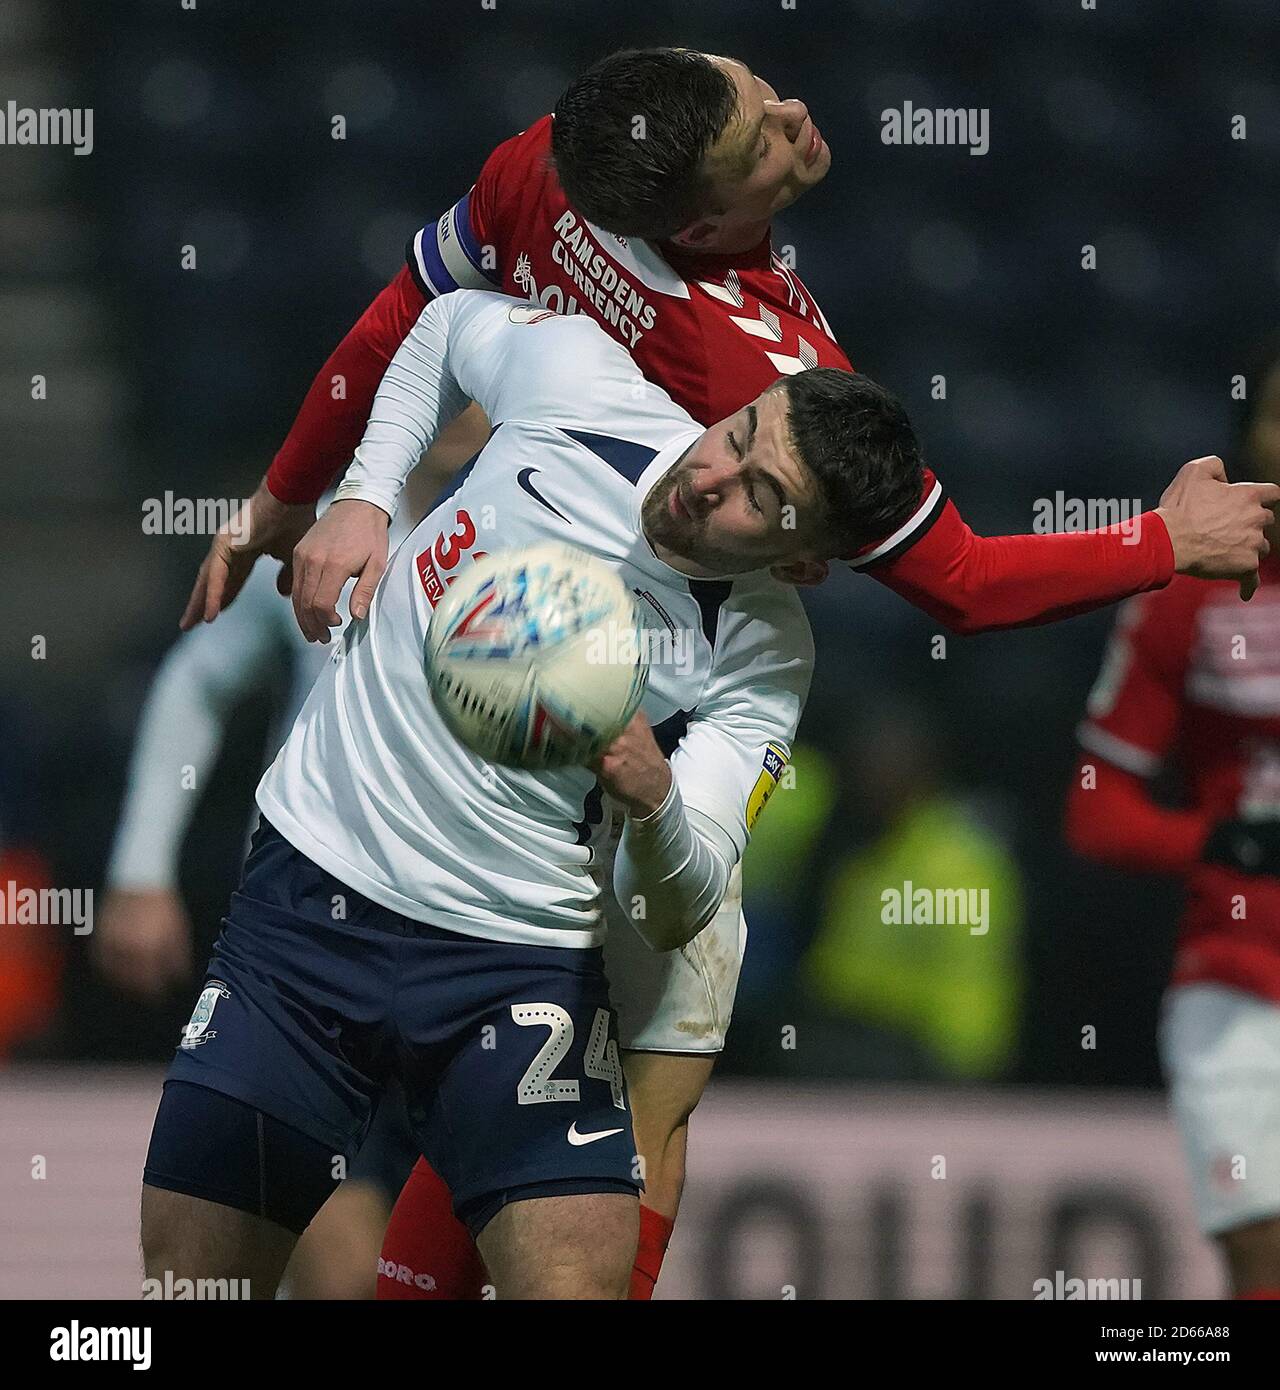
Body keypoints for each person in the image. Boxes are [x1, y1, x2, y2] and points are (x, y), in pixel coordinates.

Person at [178, 48, 1276, 1299]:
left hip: (617, 757)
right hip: (611, 744)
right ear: (700, 220)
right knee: (635, 1108)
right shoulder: (756, 384)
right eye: (763, 133)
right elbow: (962, 582)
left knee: (531, 1112)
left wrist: (287, 494)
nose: (794, 114)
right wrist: (1159, 543)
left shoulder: (545, 161)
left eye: (749, 84)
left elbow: (396, 317)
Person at [140, 286, 932, 1297]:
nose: (710, 475)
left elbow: (679, 904)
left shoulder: (759, 649)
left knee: (578, 1278)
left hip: (514, 964)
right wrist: (364, 491)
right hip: (316, 893)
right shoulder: (583, 388)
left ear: (807, 561)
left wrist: (653, 803)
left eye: (759, 496)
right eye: (736, 435)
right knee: (188, 1279)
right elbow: (440, 322)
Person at [1066, 337, 1280, 1301]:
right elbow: (1094, 809)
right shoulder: (1186, 595)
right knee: (1263, 1265)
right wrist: (1216, 842)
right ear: (1248, 437)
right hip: (1240, 975)